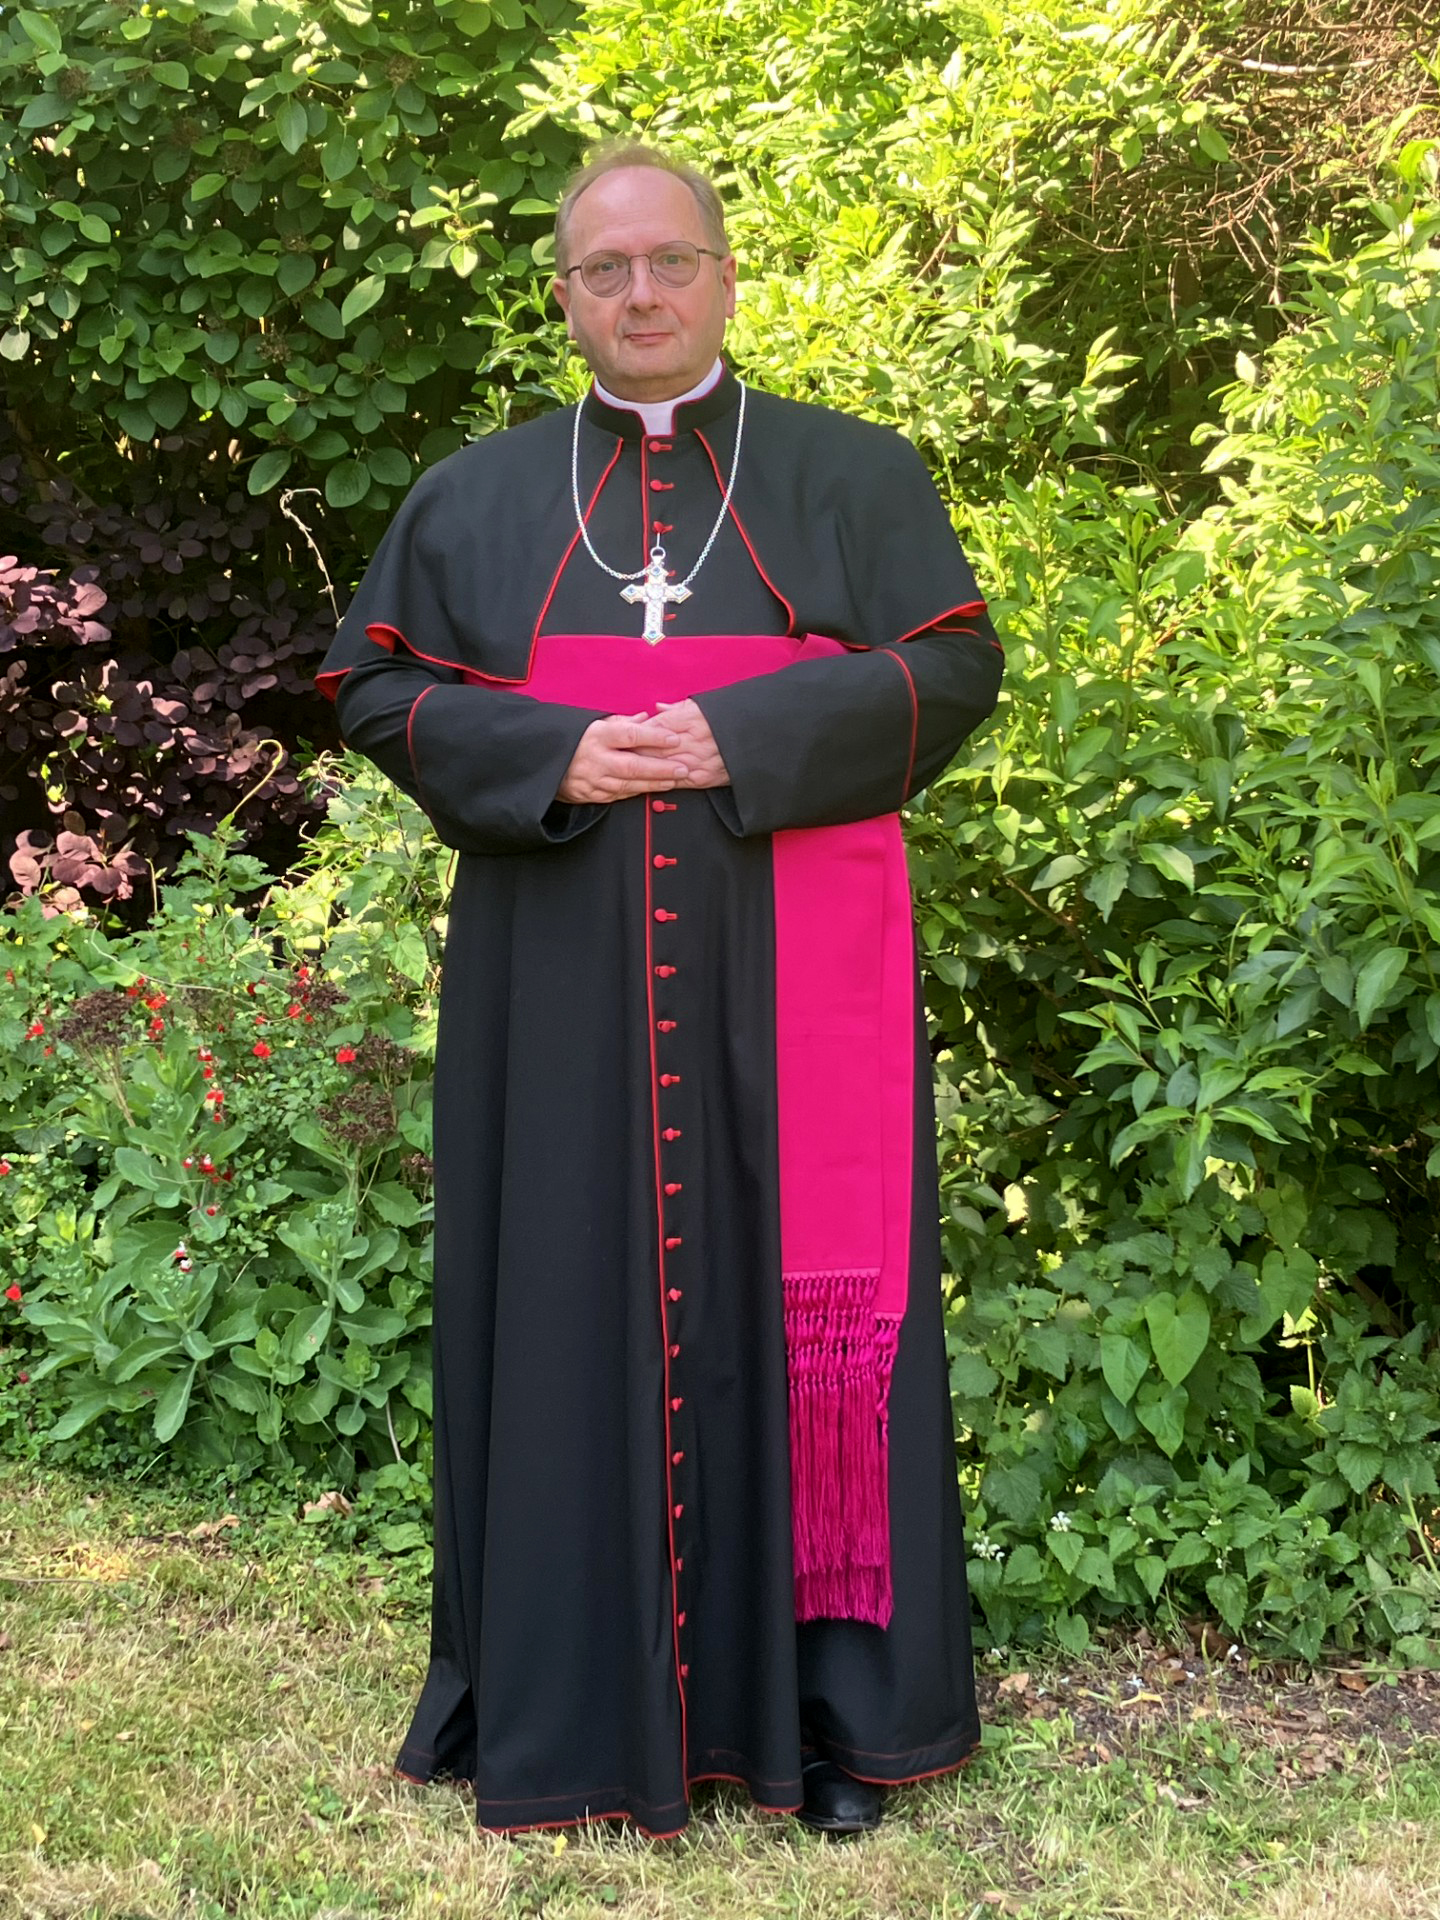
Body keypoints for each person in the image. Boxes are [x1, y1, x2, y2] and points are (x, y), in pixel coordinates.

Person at [315, 138, 1005, 1840]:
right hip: (553, 1018)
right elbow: (374, 692)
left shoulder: (852, 475)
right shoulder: (473, 497)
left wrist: (740, 734)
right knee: (556, 1308)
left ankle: (837, 1722)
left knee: (810, 1321)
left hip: (793, 1001)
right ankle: (562, 1710)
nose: (640, 294)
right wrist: (561, 749)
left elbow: (955, 661)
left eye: (669, 262)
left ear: (723, 275)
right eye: (603, 270)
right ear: (564, 295)